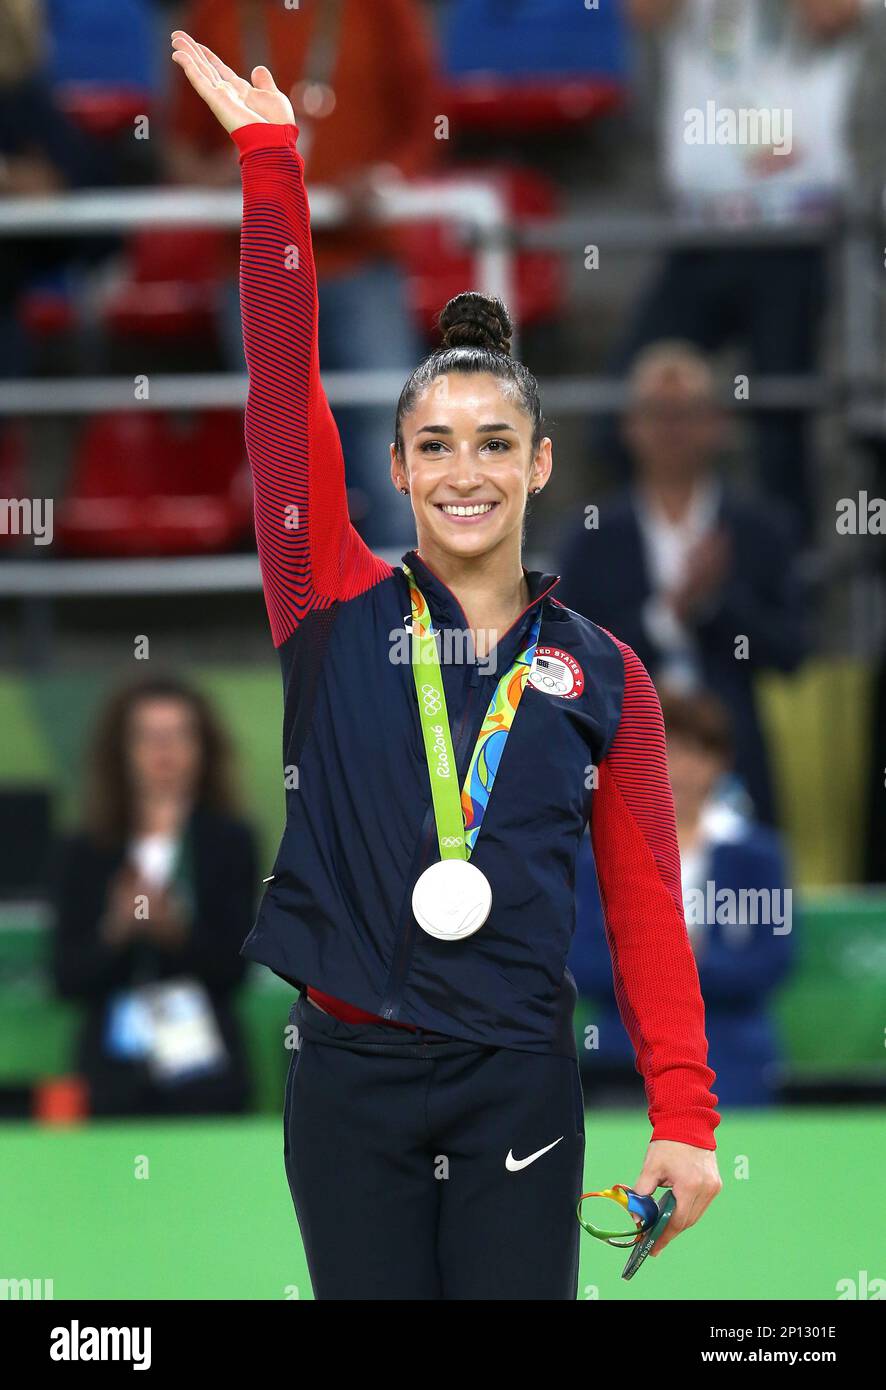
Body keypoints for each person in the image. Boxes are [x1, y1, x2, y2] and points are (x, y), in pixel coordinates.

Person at [170, 30, 721, 1301]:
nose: (463, 469)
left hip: (517, 1078)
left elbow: (643, 904)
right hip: (348, 1083)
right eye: (433, 444)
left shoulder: (605, 677)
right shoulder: (327, 598)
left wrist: (683, 1116)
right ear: (401, 469)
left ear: (535, 466)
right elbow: (276, 381)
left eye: (493, 441)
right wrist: (272, 173)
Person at [167, 0, 441, 551]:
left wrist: (387, 179)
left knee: (388, 448)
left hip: (359, 261)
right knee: (285, 465)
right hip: (258, 269)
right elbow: (180, 146)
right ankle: (315, 629)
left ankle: (413, 620)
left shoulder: (382, 11)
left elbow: (428, 119)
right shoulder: (216, 12)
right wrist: (214, 179)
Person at [611, 0, 874, 538]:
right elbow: (642, 12)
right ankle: (664, 568)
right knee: (616, 410)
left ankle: (781, 598)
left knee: (780, 434)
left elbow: (831, 15)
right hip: (701, 235)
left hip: (791, 235)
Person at [557, 340, 810, 827]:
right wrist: (667, 616)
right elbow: (569, 659)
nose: (672, 429)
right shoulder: (592, 536)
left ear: (718, 423)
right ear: (630, 425)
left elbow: (793, 651)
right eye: (658, 412)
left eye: (687, 412)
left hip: (738, 767)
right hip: (622, 760)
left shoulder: (759, 530)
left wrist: (714, 606)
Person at [570, 689, 795, 1110]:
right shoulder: (595, 853)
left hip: (732, 1052)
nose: (682, 770)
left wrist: (688, 962)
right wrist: (662, 955)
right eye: (667, 753)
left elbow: (773, 960)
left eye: (697, 753)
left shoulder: (758, 855)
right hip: (623, 1052)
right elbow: (578, 962)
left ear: (721, 762)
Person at [51, 676, 257, 1117]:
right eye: (147, 736)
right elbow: (65, 977)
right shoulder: (86, 850)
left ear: (204, 747)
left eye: (180, 734)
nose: (164, 750)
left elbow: (236, 971)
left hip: (206, 1072)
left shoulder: (229, 843)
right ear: (120, 751)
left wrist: (174, 931)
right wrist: (115, 931)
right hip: (112, 1075)